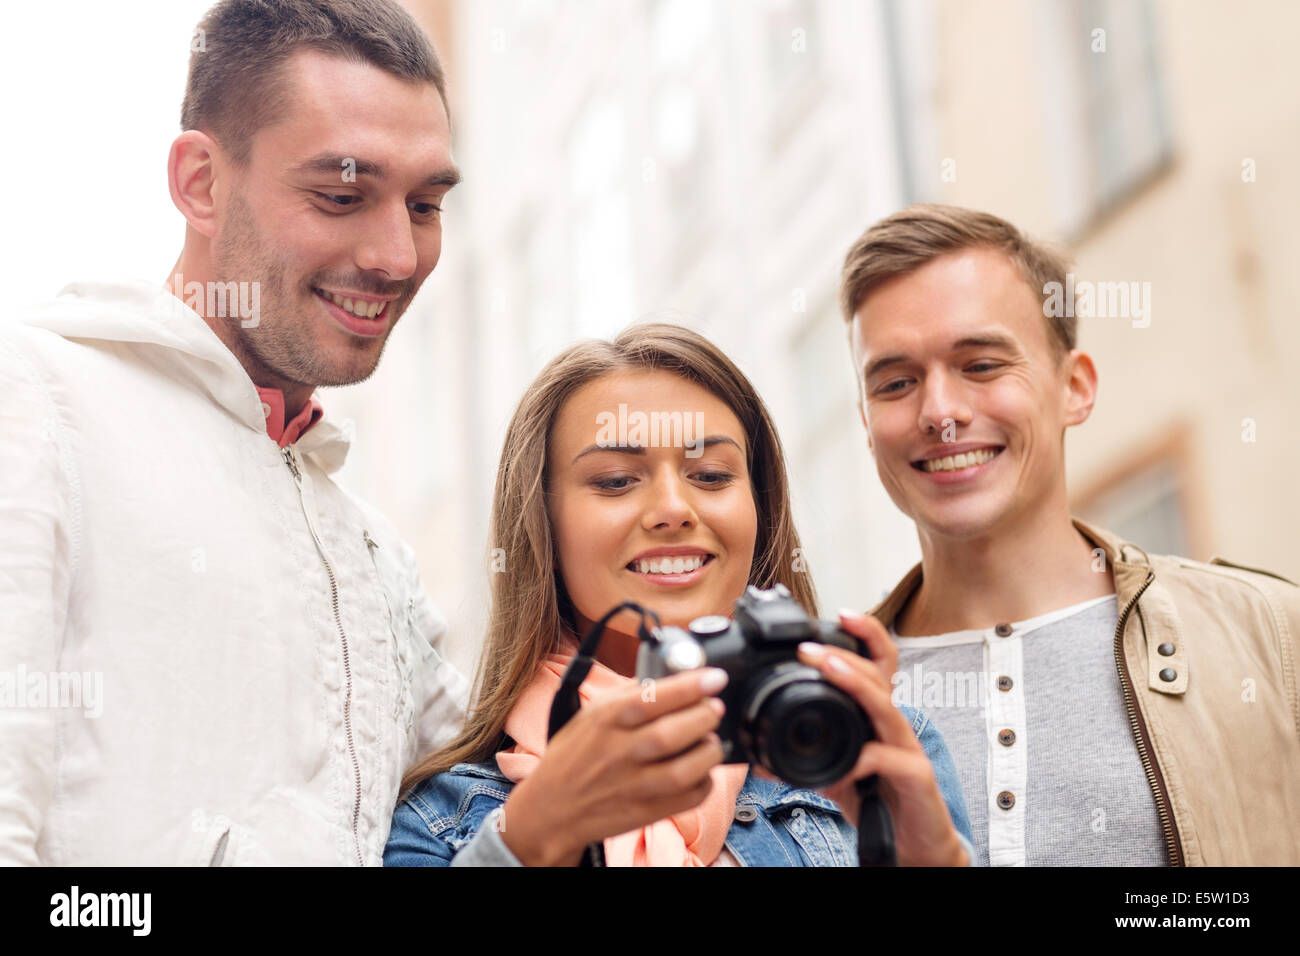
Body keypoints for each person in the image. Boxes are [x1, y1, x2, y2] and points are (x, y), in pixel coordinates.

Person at [0, 0, 469, 865]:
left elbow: (525, 779)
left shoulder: (375, 558)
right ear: (201, 184)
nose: (398, 256)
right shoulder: (35, 401)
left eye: (427, 204)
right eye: (341, 195)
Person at [385, 324, 973, 866]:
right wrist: (533, 836)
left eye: (713, 476)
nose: (673, 509)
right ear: (542, 526)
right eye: (616, 481)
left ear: (759, 511)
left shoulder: (875, 750)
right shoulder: (441, 821)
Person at [838, 203, 1300, 866]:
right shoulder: (824, 704)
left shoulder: (1273, 642)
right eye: (896, 382)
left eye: (982, 365)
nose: (939, 412)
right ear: (865, 419)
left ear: (1074, 388)